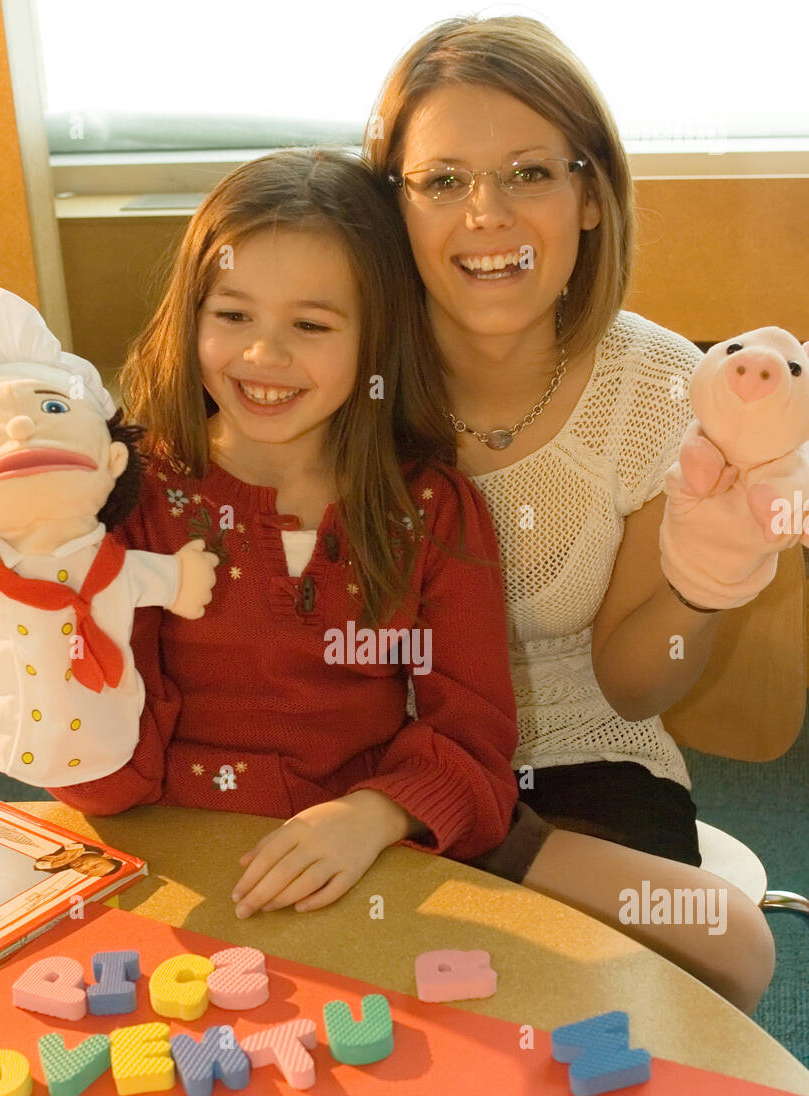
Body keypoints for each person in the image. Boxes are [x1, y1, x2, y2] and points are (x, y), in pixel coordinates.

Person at [362, 14, 776, 1011]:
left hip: (586, 762)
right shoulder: (346, 372)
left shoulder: (661, 390)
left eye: (529, 174)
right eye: (443, 179)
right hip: (374, 753)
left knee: (699, 958)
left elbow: (633, 688)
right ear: (393, 206)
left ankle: (507, 843)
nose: (486, 214)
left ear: (588, 195)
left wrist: (705, 574)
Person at [48, 147, 522, 914]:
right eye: (232, 315)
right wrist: (43, 640)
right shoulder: (132, 495)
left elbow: (473, 744)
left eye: (310, 324)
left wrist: (372, 815)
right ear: (190, 316)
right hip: (162, 866)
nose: (263, 355)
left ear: (378, 338)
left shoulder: (430, 511)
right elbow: (102, 781)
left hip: (353, 873)